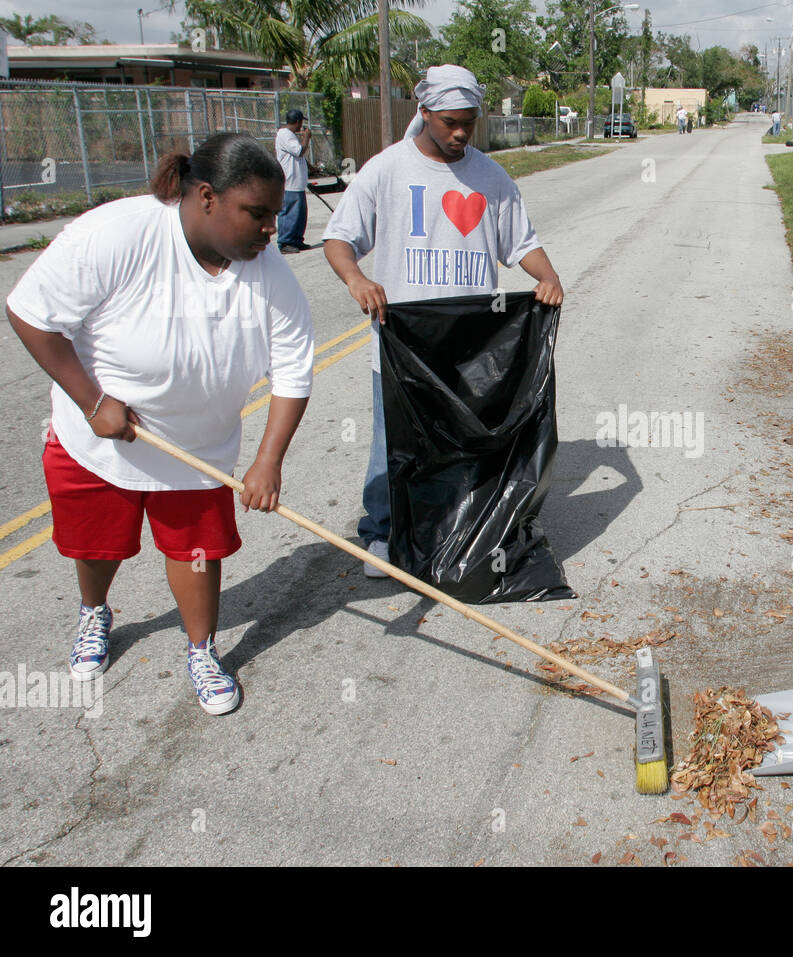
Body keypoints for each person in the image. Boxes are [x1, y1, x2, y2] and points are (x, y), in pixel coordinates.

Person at [5, 132, 315, 716]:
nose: (272, 229)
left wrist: (268, 459)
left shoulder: (267, 270)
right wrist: (93, 401)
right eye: (258, 213)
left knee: (197, 553)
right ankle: (94, 613)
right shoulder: (119, 233)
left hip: (197, 453)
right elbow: (31, 313)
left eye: (275, 214)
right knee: (98, 545)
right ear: (205, 197)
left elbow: (294, 367)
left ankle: (202, 649)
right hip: (102, 443)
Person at [322, 64, 564, 578]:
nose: (459, 134)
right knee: (393, 450)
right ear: (424, 112)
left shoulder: (490, 177)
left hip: (473, 347)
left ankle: (457, 533)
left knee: (468, 444)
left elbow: (522, 244)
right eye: (450, 121)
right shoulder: (386, 171)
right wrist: (355, 280)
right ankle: (382, 535)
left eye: (469, 124)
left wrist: (549, 277)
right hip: (404, 345)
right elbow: (339, 239)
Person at [276, 108, 312, 251]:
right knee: (289, 212)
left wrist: (310, 166)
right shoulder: (285, 134)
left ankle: (296, 240)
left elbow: (297, 155)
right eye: (301, 122)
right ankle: (285, 242)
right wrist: (306, 137)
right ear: (298, 122)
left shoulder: (290, 135)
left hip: (297, 182)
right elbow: (298, 151)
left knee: (299, 214)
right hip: (289, 182)